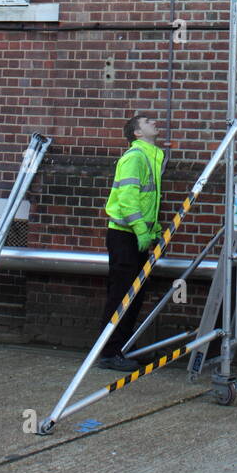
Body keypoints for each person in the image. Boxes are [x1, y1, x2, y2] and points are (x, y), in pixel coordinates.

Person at [98, 112, 165, 372]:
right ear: (137, 133)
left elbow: (149, 201)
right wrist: (140, 229)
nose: (154, 123)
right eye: (147, 122)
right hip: (125, 236)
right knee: (121, 295)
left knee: (134, 295)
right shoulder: (135, 157)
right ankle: (110, 351)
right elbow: (127, 198)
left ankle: (123, 346)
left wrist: (153, 230)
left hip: (137, 236)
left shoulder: (150, 157)